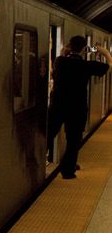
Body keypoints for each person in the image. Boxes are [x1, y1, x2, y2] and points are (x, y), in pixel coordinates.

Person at [47, 36, 111, 179]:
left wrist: (68, 52)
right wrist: (105, 52)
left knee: (49, 134)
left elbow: (66, 57)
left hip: (58, 105)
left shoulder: (60, 61)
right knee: (73, 140)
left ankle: (39, 160)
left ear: (70, 46)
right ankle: (68, 170)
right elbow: (109, 65)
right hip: (77, 108)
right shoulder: (87, 66)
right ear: (83, 49)